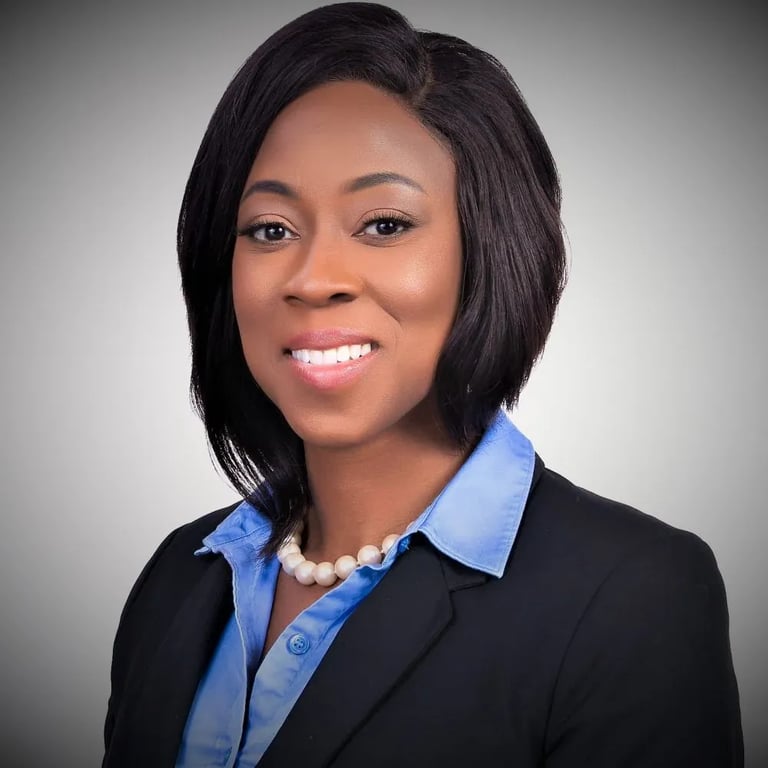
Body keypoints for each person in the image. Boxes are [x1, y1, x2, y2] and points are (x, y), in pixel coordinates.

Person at [102, 3, 743, 766]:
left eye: (384, 224)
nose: (313, 279)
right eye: (271, 230)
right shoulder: (180, 574)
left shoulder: (634, 595)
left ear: (492, 249)